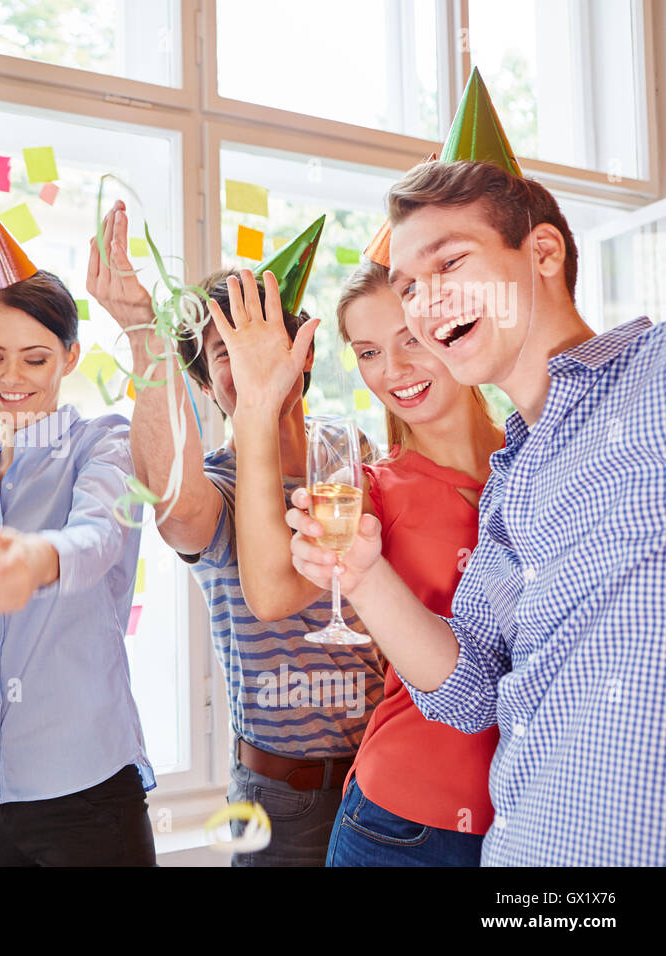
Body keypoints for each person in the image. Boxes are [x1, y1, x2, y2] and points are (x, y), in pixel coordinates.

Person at [285, 156, 666, 865]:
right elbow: (470, 694)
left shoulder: (653, 375)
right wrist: (364, 576)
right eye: (409, 289)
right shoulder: (508, 487)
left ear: (542, 252)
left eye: (450, 263)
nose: (426, 305)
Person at [88, 202, 383, 866]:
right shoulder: (218, 486)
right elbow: (172, 501)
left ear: (300, 351)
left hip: (384, 776)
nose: (251, 363)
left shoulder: (350, 451)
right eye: (226, 352)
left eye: (266, 341)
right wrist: (145, 336)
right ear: (205, 380)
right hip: (282, 800)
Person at [217, 247, 504, 864]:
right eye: (368, 352)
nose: (393, 369)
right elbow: (269, 594)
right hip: (402, 828)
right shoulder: (373, 492)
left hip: (536, 821)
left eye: (410, 338)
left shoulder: (539, 462)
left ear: (455, 325)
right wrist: (258, 408)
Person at [0, 195, 155, 867]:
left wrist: (35, 560)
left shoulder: (103, 442)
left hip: (83, 785)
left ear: (70, 357)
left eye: (34, 358)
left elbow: (96, 540)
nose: (11, 378)